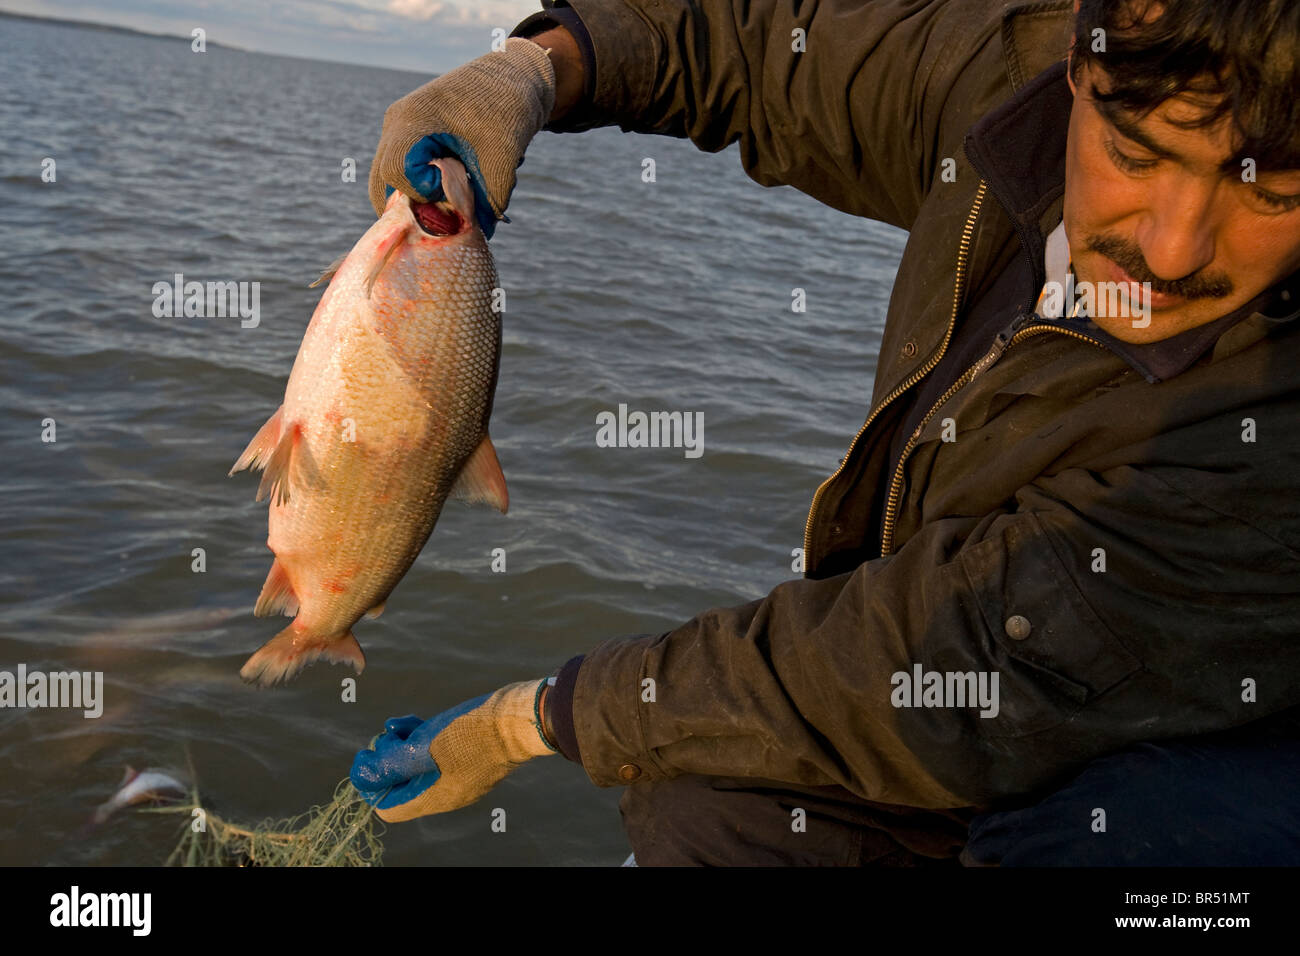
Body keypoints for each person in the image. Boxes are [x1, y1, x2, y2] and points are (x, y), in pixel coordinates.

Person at [350, 0, 1300, 865]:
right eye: (1136, 154)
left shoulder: (1266, 433)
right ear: (1073, 74)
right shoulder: (1003, 78)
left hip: (1166, 764)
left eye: (1274, 192)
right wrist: (537, 70)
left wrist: (530, 720)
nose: (1175, 248)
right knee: (704, 809)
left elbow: (928, 666)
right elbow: (768, 47)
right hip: (991, 678)